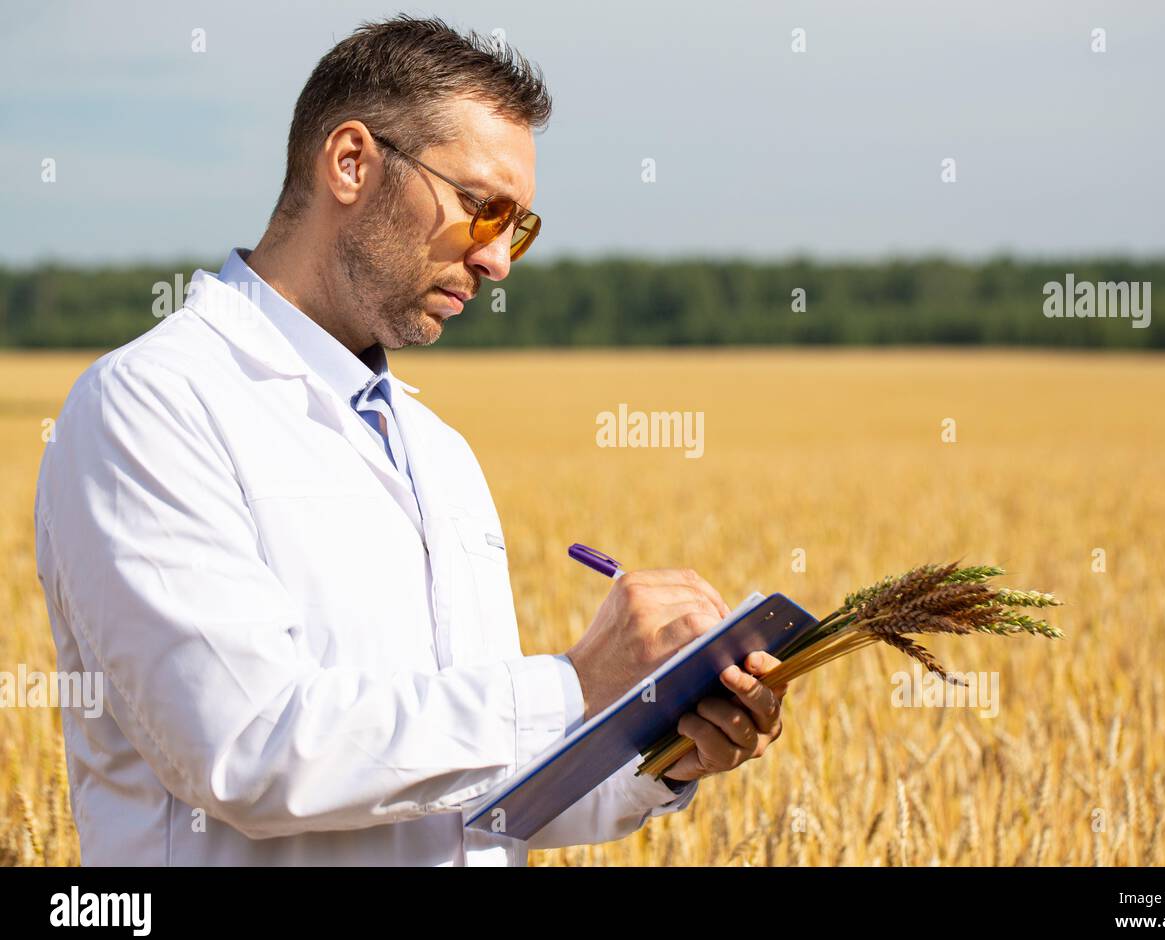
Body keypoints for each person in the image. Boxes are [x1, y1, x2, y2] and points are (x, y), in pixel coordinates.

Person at [33, 15, 787, 866]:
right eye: (481, 208)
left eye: (519, 226)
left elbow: (482, 799)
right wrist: (577, 683)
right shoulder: (151, 403)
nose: (501, 259)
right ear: (351, 163)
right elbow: (247, 751)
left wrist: (662, 745)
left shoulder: (438, 452)